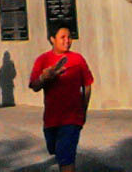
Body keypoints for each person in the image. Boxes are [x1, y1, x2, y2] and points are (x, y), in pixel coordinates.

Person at [27, 24, 93, 172]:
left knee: (66, 158)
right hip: (51, 119)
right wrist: (44, 77)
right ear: (52, 39)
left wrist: (83, 110)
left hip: (72, 118)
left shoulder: (78, 59)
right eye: (62, 37)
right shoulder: (43, 60)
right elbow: (34, 86)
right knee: (56, 151)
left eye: (69, 37)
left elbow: (87, 84)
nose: (67, 41)